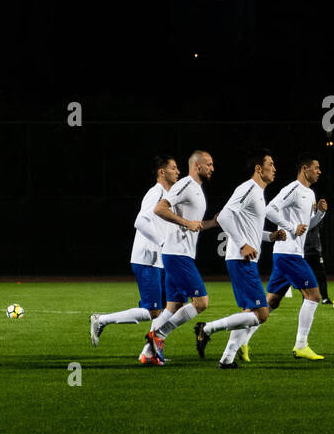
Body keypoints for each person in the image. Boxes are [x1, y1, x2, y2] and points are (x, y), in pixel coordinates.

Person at [193, 150, 288, 367]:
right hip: (240, 259)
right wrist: (243, 245)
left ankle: (227, 359)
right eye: (270, 164)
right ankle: (206, 328)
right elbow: (225, 215)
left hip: (245, 259)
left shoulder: (258, 194)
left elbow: (249, 230)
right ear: (258, 168)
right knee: (262, 313)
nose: (274, 169)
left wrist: (270, 236)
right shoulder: (248, 188)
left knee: (249, 311)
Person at [89, 155, 179, 364]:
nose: (178, 171)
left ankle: (151, 352)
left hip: (158, 259)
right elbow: (140, 221)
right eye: (173, 168)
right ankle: (101, 320)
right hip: (147, 257)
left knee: (169, 307)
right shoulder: (155, 193)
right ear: (161, 172)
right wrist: (162, 241)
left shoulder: (167, 195)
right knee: (153, 311)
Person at [260, 154, 329, 360]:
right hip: (289, 253)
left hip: (288, 253)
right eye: (316, 167)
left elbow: (306, 226)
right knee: (314, 296)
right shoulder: (293, 188)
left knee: (270, 303)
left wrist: (320, 214)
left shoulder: (310, 193)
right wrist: (290, 227)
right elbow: (269, 209)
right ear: (305, 168)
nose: (319, 171)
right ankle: (301, 345)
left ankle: (236, 338)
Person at [149, 150, 220, 344]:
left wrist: (212, 223)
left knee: (174, 306)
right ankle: (159, 336)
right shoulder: (186, 184)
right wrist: (185, 223)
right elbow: (160, 208)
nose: (212, 168)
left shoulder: (197, 188)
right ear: (197, 166)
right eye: (209, 164)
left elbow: (194, 224)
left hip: (180, 253)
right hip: (177, 254)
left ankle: (148, 353)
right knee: (201, 302)